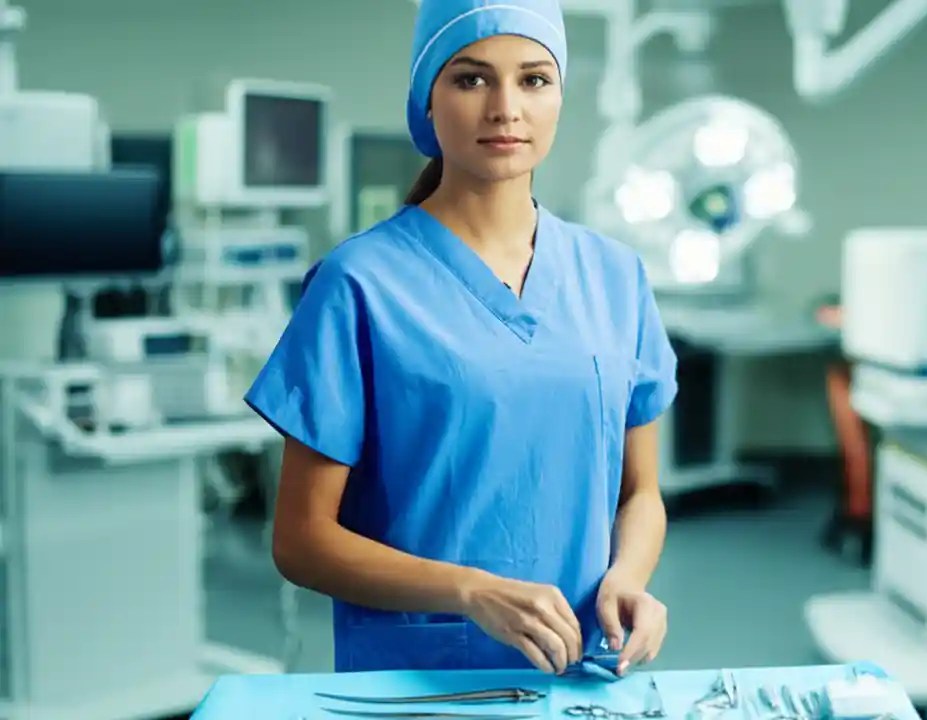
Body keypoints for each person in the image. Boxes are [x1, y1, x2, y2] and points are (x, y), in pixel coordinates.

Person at [244, 0, 678, 677]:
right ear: (427, 100)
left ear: (560, 95)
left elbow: (640, 494)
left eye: (534, 79)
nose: (506, 108)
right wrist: (470, 592)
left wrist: (628, 578)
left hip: (578, 675)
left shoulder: (616, 277)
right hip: (420, 679)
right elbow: (301, 541)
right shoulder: (359, 284)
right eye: (472, 79)